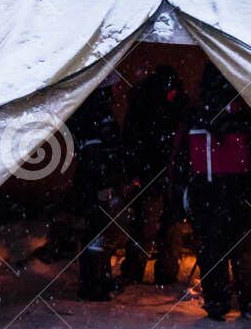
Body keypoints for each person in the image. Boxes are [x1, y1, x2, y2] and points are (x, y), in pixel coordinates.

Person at [179, 63, 251, 321]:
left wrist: (182, 187)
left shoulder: (195, 114)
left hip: (209, 189)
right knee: (240, 250)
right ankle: (246, 302)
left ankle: (220, 301)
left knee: (215, 250)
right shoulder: (241, 114)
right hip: (231, 190)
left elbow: (180, 155)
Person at [118, 64, 190, 284]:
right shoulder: (153, 107)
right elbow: (133, 140)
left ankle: (155, 271)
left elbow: (131, 139)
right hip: (155, 174)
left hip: (163, 174)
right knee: (150, 224)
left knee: (163, 225)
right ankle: (142, 270)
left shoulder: (150, 105)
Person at [67, 78, 124, 301]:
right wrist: (104, 184)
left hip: (91, 182)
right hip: (96, 183)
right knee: (97, 234)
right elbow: (97, 153)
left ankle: (96, 279)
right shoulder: (98, 114)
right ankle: (94, 283)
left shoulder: (88, 111)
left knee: (96, 233)